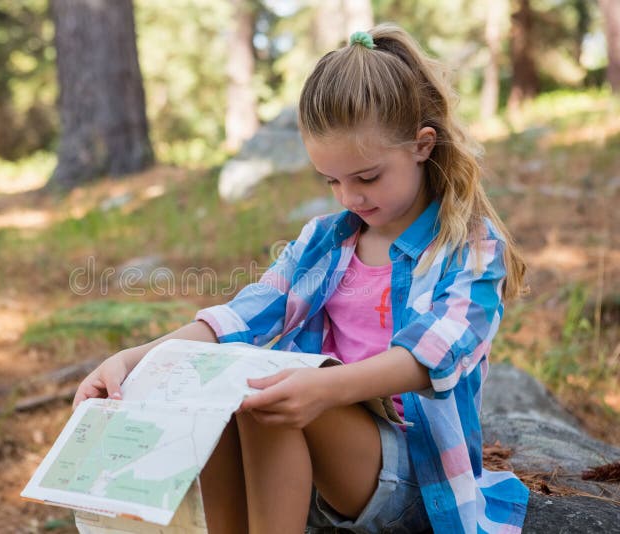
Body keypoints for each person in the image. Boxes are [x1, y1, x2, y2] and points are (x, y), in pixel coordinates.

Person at [73, 23, 529, 534]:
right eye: (330, 180)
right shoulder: (326, 242)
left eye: (367, 177)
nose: (348, 198)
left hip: (416, 476)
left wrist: (324, 389)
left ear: (422, 146)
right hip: (314, 464)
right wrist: (133, 359)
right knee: (231, 385)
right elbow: (241, 317)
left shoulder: (469, 245)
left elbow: (434, 356)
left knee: (274, 401)